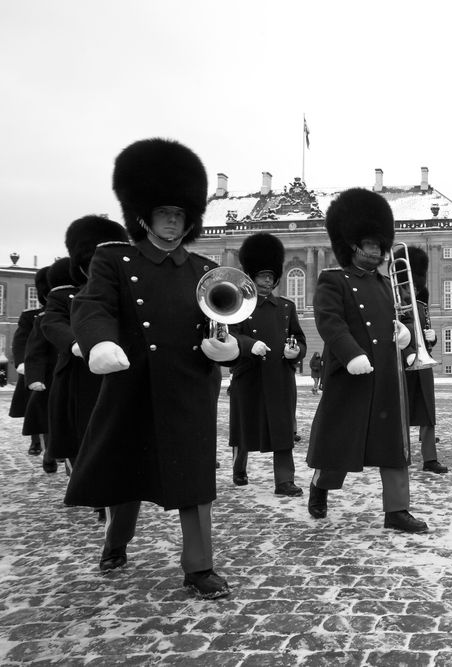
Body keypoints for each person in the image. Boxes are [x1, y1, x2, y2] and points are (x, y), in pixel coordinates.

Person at [65, 138, 236, 599]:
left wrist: (227, 348)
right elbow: (92, 305)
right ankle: (116, 541)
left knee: (193, 478)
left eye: (180, 214)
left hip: (189, 384)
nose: (172, 220)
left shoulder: (204, 267)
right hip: (133, 379)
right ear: (143, 214)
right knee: (129, 467)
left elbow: (220, 320)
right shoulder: (115, 258)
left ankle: (199, 566)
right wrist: (98, 341)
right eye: (164, 212)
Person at [306, 188, 428, 533]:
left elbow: (398, 318)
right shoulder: (333, 280)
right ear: (352, 245)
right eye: (369, 245)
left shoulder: (386, 283)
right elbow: (330, 322)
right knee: (342, 442)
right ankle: (321, 485)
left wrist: (404, 336)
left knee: (392, 443)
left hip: (386, 372)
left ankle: (397, 510)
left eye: (379, 245)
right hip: (352, 372)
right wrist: (351, 354)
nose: (376, 252)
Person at [43, 218, 130, 484]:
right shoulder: (63, 296)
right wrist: (78, 343)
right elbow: (52, 323)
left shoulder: (124, 292)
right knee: (80, 436)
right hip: (78, 376)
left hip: (118, 373)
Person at [229, 233, 307, 496]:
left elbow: (300, 340)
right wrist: (249, 345)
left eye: (271, 277)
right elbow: (230, 335)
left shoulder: (286, 306)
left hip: (280, 377)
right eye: (262, 276)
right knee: (243, 427)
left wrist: (294, 351)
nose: (267, 281)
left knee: (283, 430)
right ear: (252, 277)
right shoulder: (238, 304)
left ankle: (284, 480)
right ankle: (239, 468)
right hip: (249, 375)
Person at [392, 246, 448, 474]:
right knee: (400, 412)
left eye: (415, 287)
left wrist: (431, 339)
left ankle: (429, 458)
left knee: (427, 412)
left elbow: (425, 332)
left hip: (423, 364)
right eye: (407, 287)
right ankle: (399, 453)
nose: (411, 291)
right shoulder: (392, 306)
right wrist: (408, 353)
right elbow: (392, 334)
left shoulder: (422, 307)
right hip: (401, 366)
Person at [22, 266, 59, 472]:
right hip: (49, 376)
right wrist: (34, 376)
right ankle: (49, 451)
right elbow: (34, 351)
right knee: (49, 419)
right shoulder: (41, 318)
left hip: (75, 375)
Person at [10, 267, 48, 459]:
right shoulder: (30, 316)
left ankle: (53, 448)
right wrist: (22, 363)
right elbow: (20, 341)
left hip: (57, 366)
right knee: (34, 407)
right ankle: (35, 441)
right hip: (36, 366)